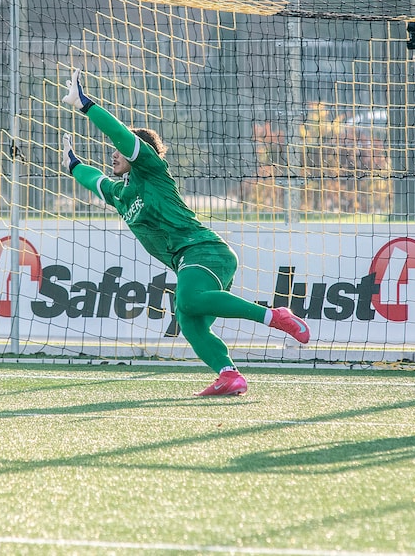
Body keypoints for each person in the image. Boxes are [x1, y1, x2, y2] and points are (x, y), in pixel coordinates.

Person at [59, 69, 311, 396]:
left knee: (187, 299)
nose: (114, 154)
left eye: (120, 151)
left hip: (203, 250)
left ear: (138, 152)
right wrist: (73, 165)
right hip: (189, 260)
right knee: (188, 319)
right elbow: (94, 180)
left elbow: (120, 135)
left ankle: (275, 316)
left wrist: (85, 105)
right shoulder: (122, 196)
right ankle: (228, 375)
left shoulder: (152, 171)